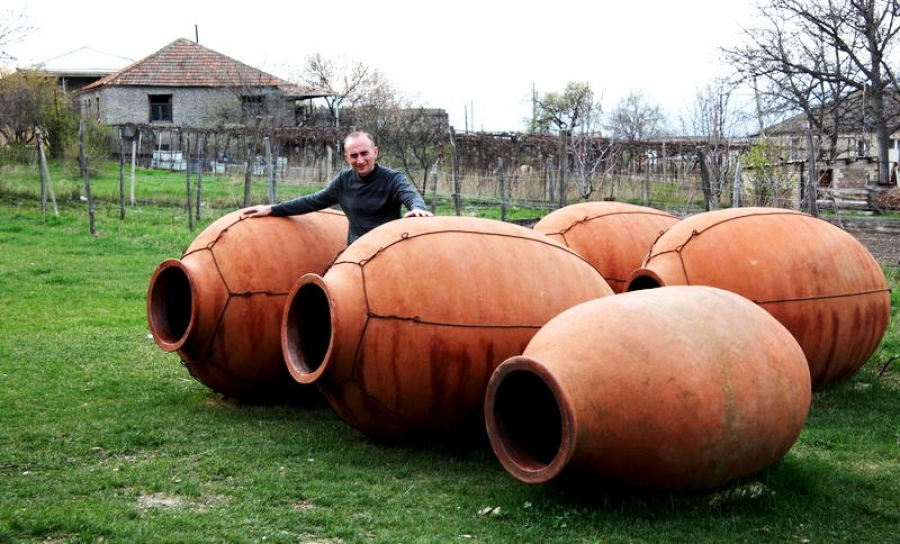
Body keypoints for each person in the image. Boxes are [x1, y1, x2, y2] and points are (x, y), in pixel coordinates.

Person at [241, 131, 433, 243]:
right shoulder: (343, 181)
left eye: (365, 153)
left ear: (375, 152)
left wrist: (418, 209)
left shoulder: (392, 179)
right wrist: (272, 209)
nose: (360, 160)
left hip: (387, 249)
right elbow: (313, 201)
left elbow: (410, 195)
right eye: (354, 156)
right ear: (346, 157)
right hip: (355, 253)